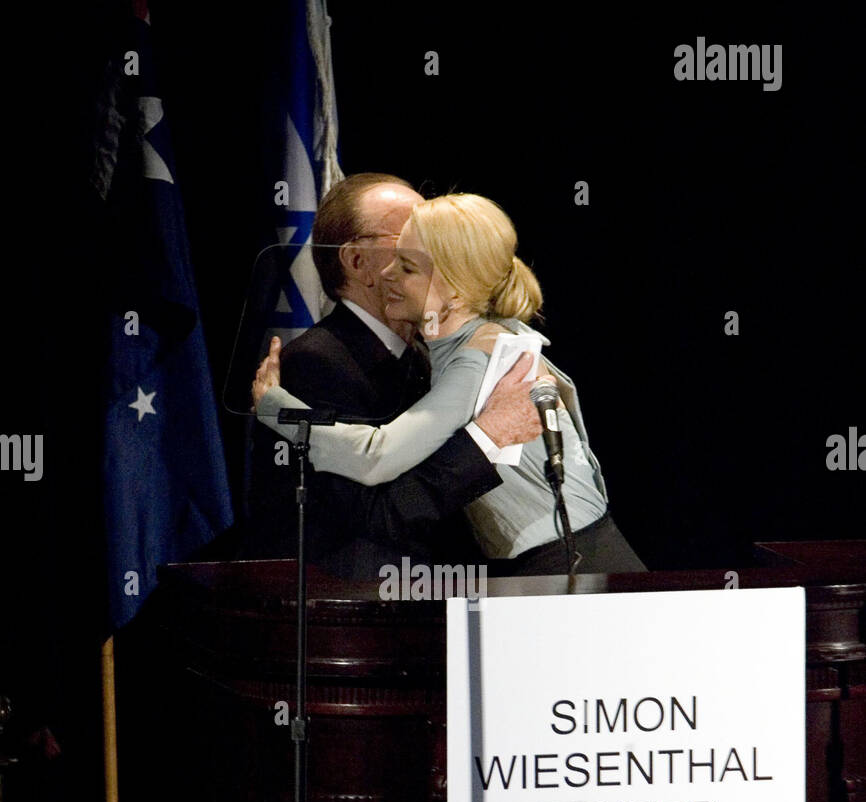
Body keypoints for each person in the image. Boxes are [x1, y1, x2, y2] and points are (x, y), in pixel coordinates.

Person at [255, 193, 645, 575]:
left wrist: (274, 407)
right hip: (548, 563)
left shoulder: (478, 359)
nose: (388, 274)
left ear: (455, 287)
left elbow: (374, 456)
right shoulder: (456, 347)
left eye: (407, 267)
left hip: (573, 564)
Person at [245, 174, 542, 577]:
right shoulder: (315, 363)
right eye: (410, 235)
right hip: (366, 610)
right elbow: (381, 516)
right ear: (357, 262)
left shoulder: (434, 355)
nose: (437, 247)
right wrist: (489, 435)